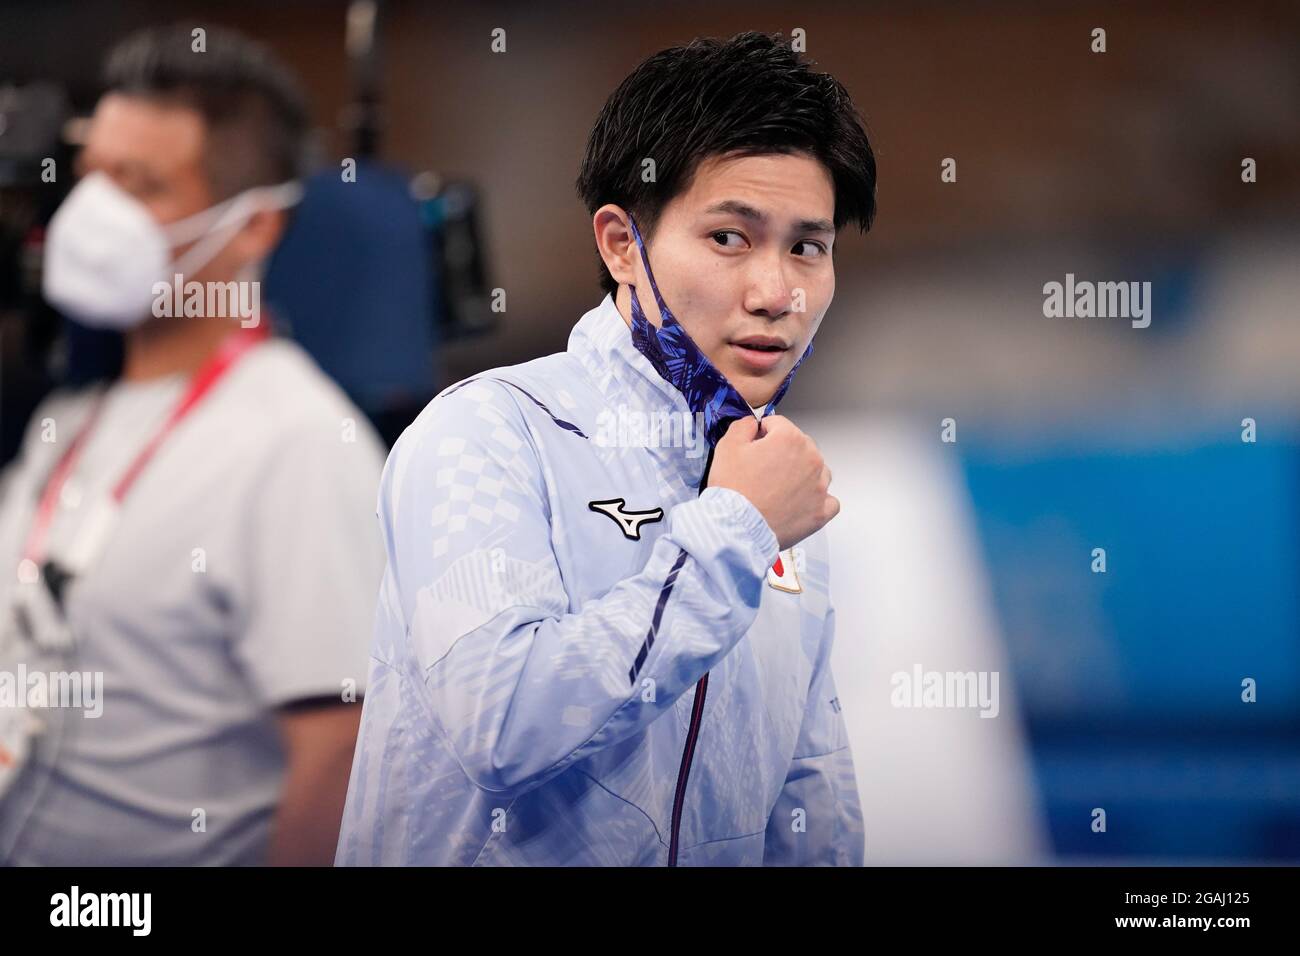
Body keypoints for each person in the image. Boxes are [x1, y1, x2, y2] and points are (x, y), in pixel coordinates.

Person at [336, 31, 876, 866]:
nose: (776, 293)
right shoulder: (487, 433)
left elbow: (810, 801)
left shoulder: (775, 487)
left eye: (808, 246)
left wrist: (744, 520)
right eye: (730, 238)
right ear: (623, 244)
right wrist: (734, 531)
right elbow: (503, 726)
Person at [0, 25, 386, 865]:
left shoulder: (298, 443)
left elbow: (340, 753)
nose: (93, 212)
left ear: (254, 227)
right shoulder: (68, 419)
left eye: (140, 185)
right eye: (92, 174)